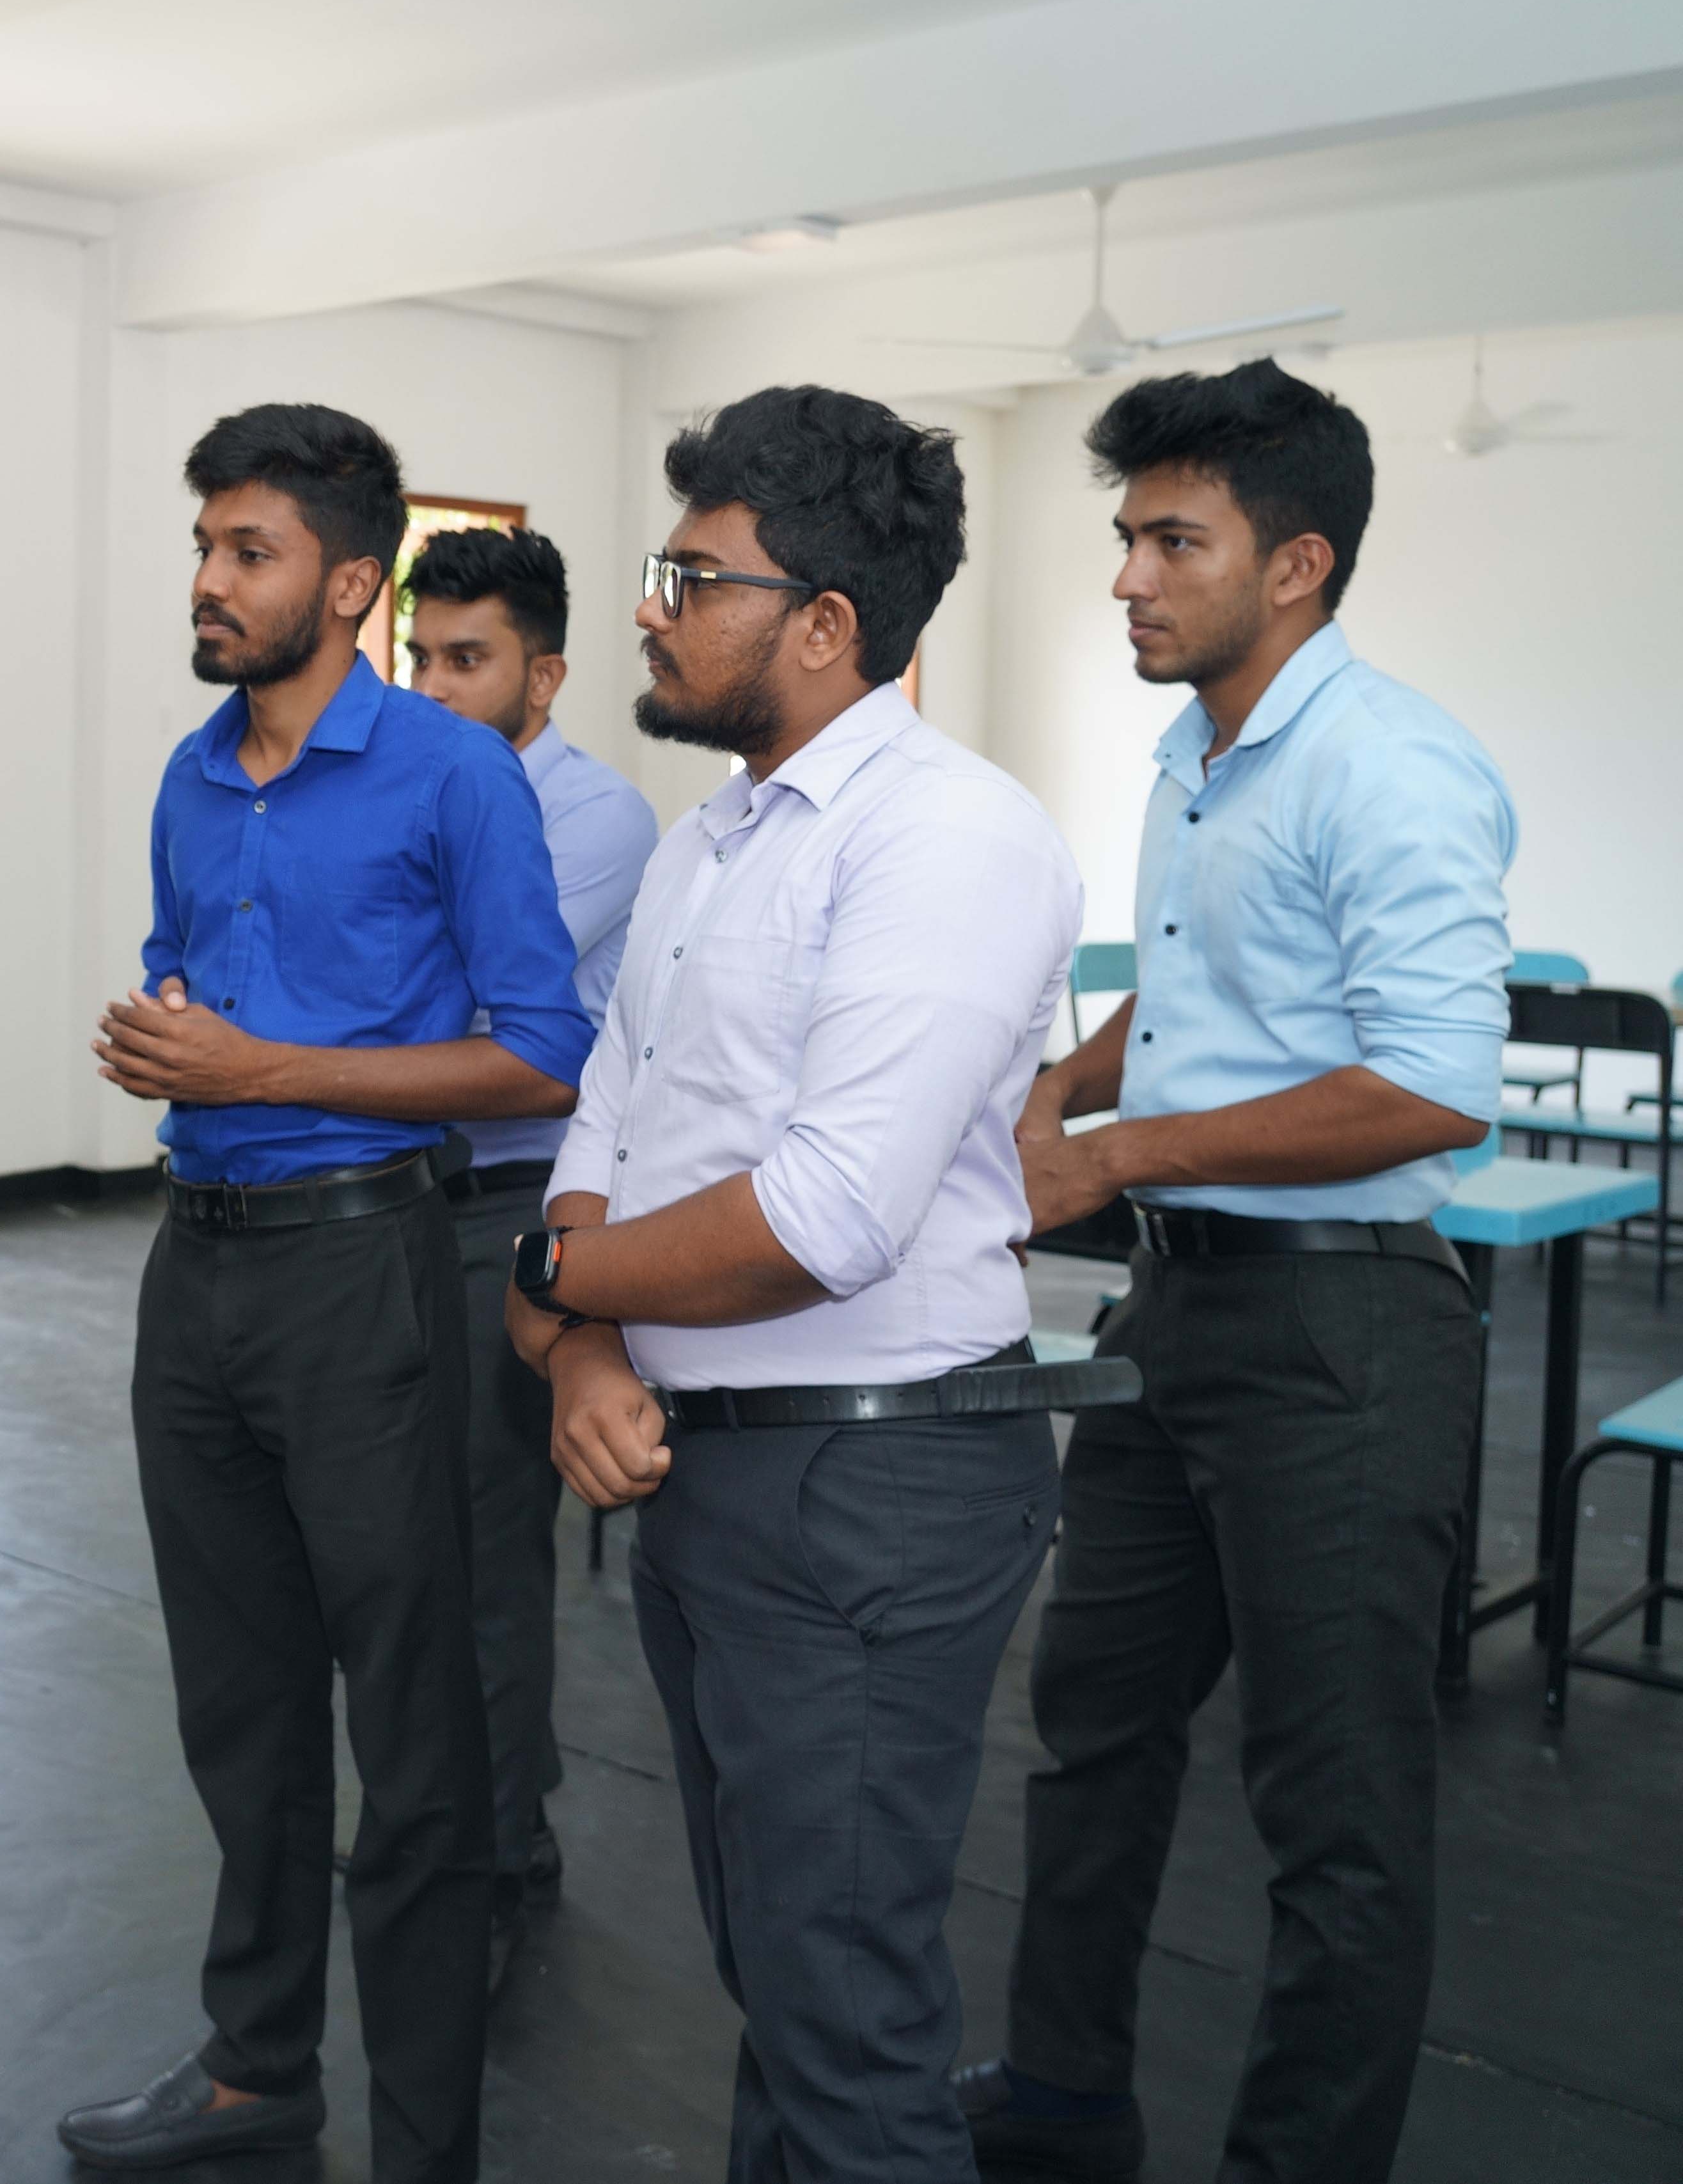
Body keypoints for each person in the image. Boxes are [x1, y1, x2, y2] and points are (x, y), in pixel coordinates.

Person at [505, 385, 1100, 2183]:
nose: (651, 606)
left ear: (826, 623)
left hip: (871, 1482)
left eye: (694, 577)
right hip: (708, 1460)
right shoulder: (713, 842)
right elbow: (607, 1122)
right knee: (781, 1981)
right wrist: (581, 1345)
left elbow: (827, 1215)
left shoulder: (948, 836)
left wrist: (550, 1279)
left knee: (845, 2026)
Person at [960, 361, 1513, 2184]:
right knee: (1093, 1731)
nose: (1127, 576)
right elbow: (1208, 988)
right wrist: (1067, 1083)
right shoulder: (1197, 754)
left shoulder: (1391, 765)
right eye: (1126, 536)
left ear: (1296, 565)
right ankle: (1061, 2102)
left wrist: (1117, 1154)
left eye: (1172, 542)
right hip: (1178, 1307)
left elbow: (1429, 1084)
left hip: (1342, 1329)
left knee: (1335, 1814)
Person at [59, 404, 592, 2183]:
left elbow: (542, 1054)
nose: (208, 583)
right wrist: (171, 1043)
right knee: (241, 1707)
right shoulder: (191, 774)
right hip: (193, 1273)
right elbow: (191, 987)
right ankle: (255, 2067)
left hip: (370, 1274)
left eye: (250, 553)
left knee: (414, 1732)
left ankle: (424, 2142)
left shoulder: (455, 775)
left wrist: (263, 1067)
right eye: (204, 548)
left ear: (350, 584)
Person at [400, 526, 657, 1988]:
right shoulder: (415, 790)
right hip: (394, 1198)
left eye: (467, 659)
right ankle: (457, 1826)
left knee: (487, 1554)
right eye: (417, 658)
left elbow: (453, 1000)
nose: (431, 688)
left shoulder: (596, 816)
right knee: (396, 1546)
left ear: (542, 677)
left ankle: (499, 1860)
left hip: (514, 1208)